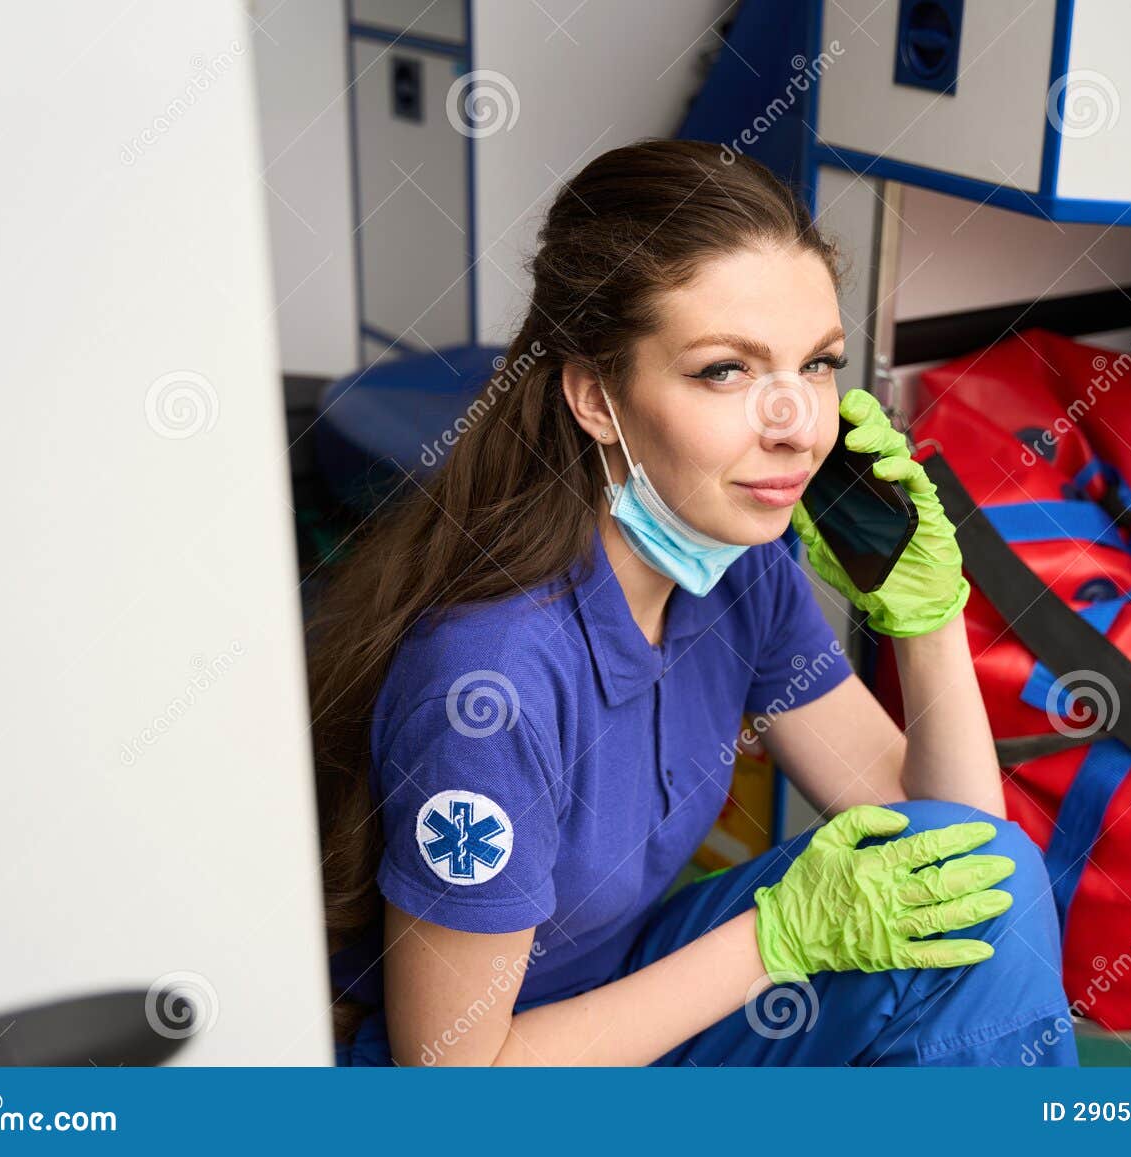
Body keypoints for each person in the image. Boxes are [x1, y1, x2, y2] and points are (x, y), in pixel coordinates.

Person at [306, 139, 1076, 1067]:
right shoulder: (491, 686)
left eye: (819, 364)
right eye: (727, 371)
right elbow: (455, 1084)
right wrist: (774, 939)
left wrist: (925, 617)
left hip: (630, 991)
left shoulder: (735, 568)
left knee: (983, 883)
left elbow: (961, 851)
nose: (797, 424)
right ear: (597, 395)